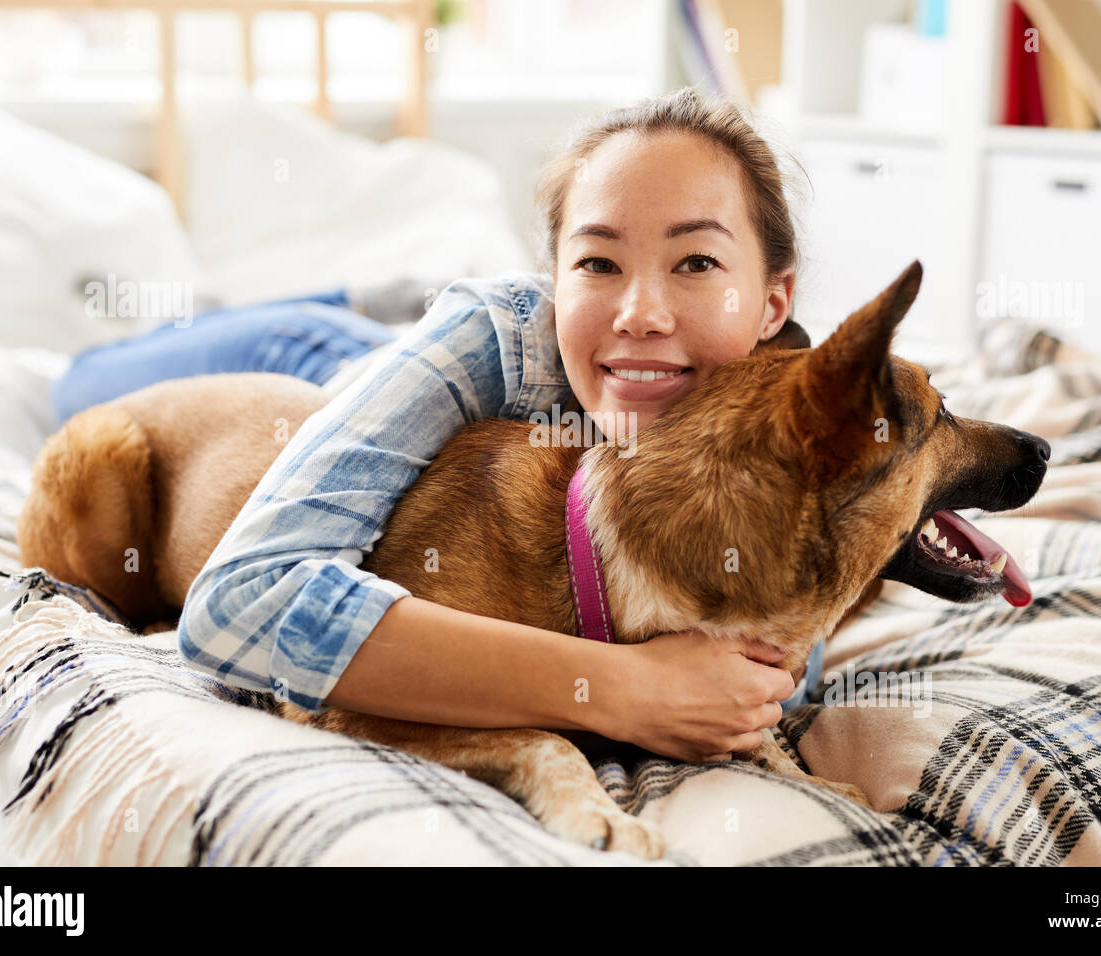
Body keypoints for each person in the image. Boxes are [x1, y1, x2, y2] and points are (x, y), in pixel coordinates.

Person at [66, 86, 822, 764]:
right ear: (554, 278)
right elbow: (239, 607)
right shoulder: (499, 344)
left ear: (773, 303)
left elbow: (788, 644)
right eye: (597, 263)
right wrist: (624, 688)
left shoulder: (813, 425)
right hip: (311, 365)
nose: (640, 314)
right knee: (80, 377)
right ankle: (360, 299)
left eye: (696, 263)